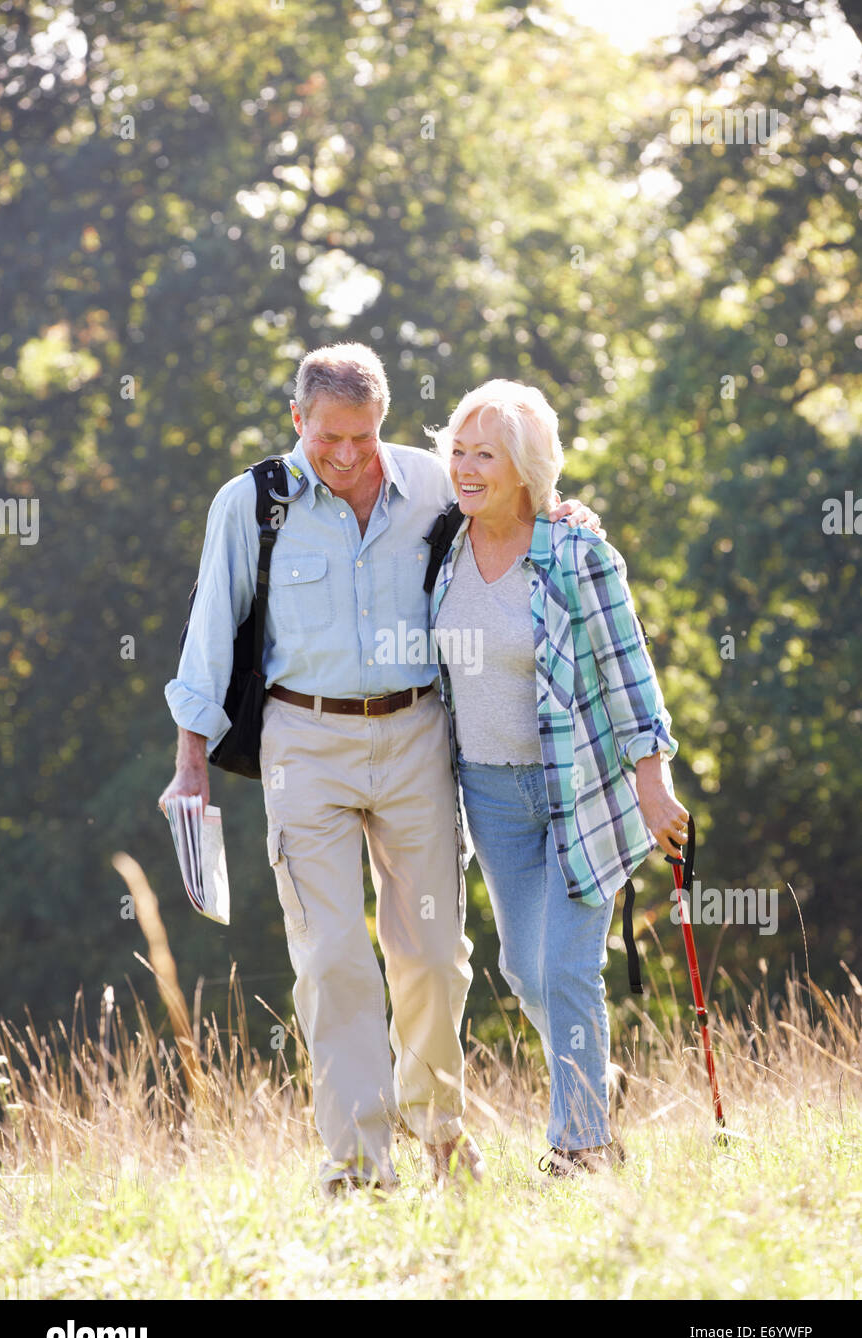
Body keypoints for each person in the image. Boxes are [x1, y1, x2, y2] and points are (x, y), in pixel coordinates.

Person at [159, 345, 598, 1193]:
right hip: (304, 743)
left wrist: (560, 516)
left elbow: (506, 503)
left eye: (364, 435)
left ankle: (440, 1138)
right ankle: (358, 1165)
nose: (350, 454)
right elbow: (210, 634)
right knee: (333, 958)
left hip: (415, 738)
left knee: (432, 953)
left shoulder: (432, 485)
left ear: (385, 422)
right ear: (298, 421)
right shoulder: (252, 505)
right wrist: (191, 768)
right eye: (330, 437)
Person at [428, 379, 689, 1176]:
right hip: (490, 792)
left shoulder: (578, 551)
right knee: (522, 971)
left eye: (486, 455)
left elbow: (626, 669)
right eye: (458, 452)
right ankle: (594, 1082)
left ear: (526, 467)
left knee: (565, 967)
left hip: (582, 790)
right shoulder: (442, 540)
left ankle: (582, 1146)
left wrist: (654, 777)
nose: (466, 469)